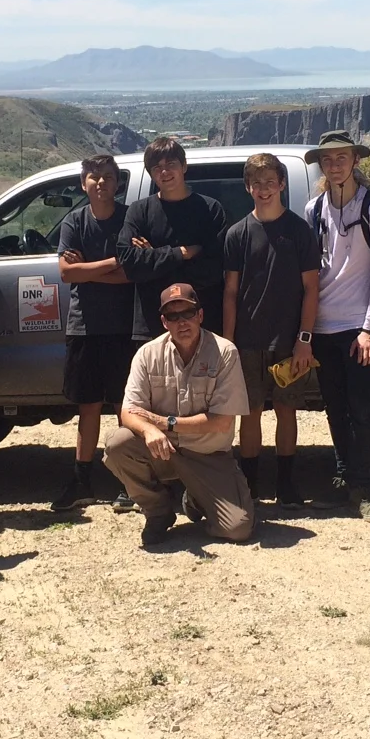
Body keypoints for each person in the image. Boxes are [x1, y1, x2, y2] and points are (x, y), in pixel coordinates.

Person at [103, 284, 255, 547]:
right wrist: (149, 430)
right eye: (173, 316)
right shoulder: (147, 354)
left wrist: (164, 423)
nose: (182, 322)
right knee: (117, 444)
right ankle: (158, 512)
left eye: (188, 313)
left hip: (209, 455)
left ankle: (196, 499)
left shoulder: (225, 352)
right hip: (163, 450)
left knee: (238, 529)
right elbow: (128, 411)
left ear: (200, 315)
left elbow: (222, 422)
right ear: (164, 322)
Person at [303, 130, 370, 523]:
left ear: (355, 160)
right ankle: (344, 477)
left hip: (357, 327)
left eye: (342, 157)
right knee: (335, 407)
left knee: (361, 409)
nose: (335, 165)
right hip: (323, 327)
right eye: (328, 159)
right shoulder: (313, 209)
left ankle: (363, 487)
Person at [222, 152, 320, 506]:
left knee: (286, 409)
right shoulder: (237, 234)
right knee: (249, 413)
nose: (264, 189)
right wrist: (229, 344)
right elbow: (231, 293)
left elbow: (312, 288)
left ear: (281, 184)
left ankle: (286, 484)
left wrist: (304, 340)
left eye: (270, 182)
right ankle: (250, 485)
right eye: (256, 183)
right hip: (247, 341)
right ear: (248, 187)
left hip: (289, 341)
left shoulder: (299, 231)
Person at [51, 153, 135, 511]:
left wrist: (88, 269)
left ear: (117, 183)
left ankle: (129, 483)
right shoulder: (74, 221)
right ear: (83, 184)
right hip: (84, 327)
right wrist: (114, 262)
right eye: (94, 177)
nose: (101, 182)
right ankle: (81, 481)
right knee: (88, 406)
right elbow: (67, 273)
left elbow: (133, 273)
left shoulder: (130, 218)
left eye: (107, 177)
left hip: (124, 328)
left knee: (125, 407)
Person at [119, 137, 228, 338]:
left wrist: (154, 259)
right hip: (151, 327)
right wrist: (181, 254)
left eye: (171, 164)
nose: (164, 172)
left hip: (202, 325)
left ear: (184, 166)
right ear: (150, 173)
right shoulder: (138, 211)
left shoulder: (210, 210)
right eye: (157, 167)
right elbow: (130, 265)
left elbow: (212, 271)